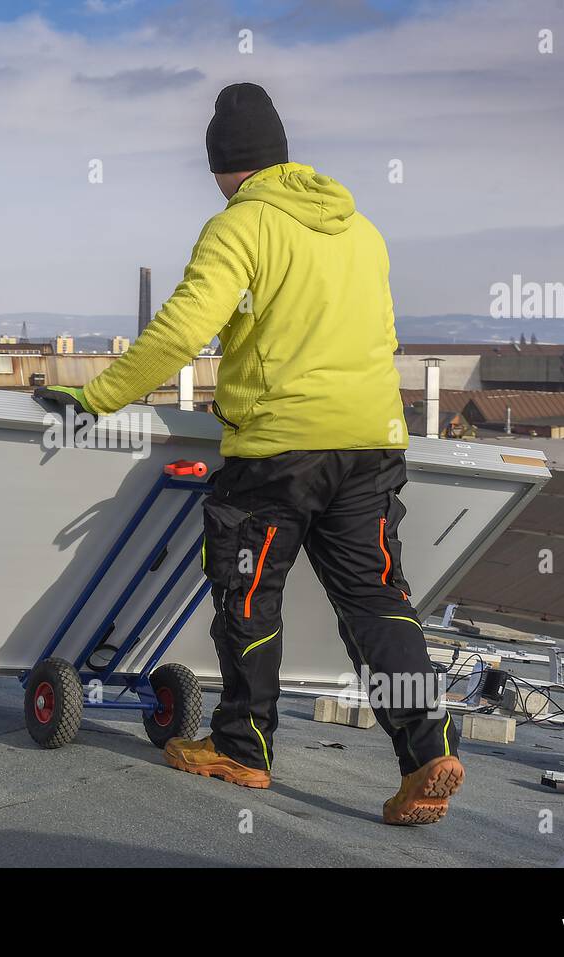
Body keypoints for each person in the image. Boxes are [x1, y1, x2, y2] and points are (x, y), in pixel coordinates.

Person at [36, 84, 462, 826]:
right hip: (371, 442)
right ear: (283, 154)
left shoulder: (240, 225)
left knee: (248, 588)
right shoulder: (360, 228)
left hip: (280, 448)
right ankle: (427, 749)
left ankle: (243, 744)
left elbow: (178, 333)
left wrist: (97, 399)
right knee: (377, 601)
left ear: (223, 168)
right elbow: (381, 337)